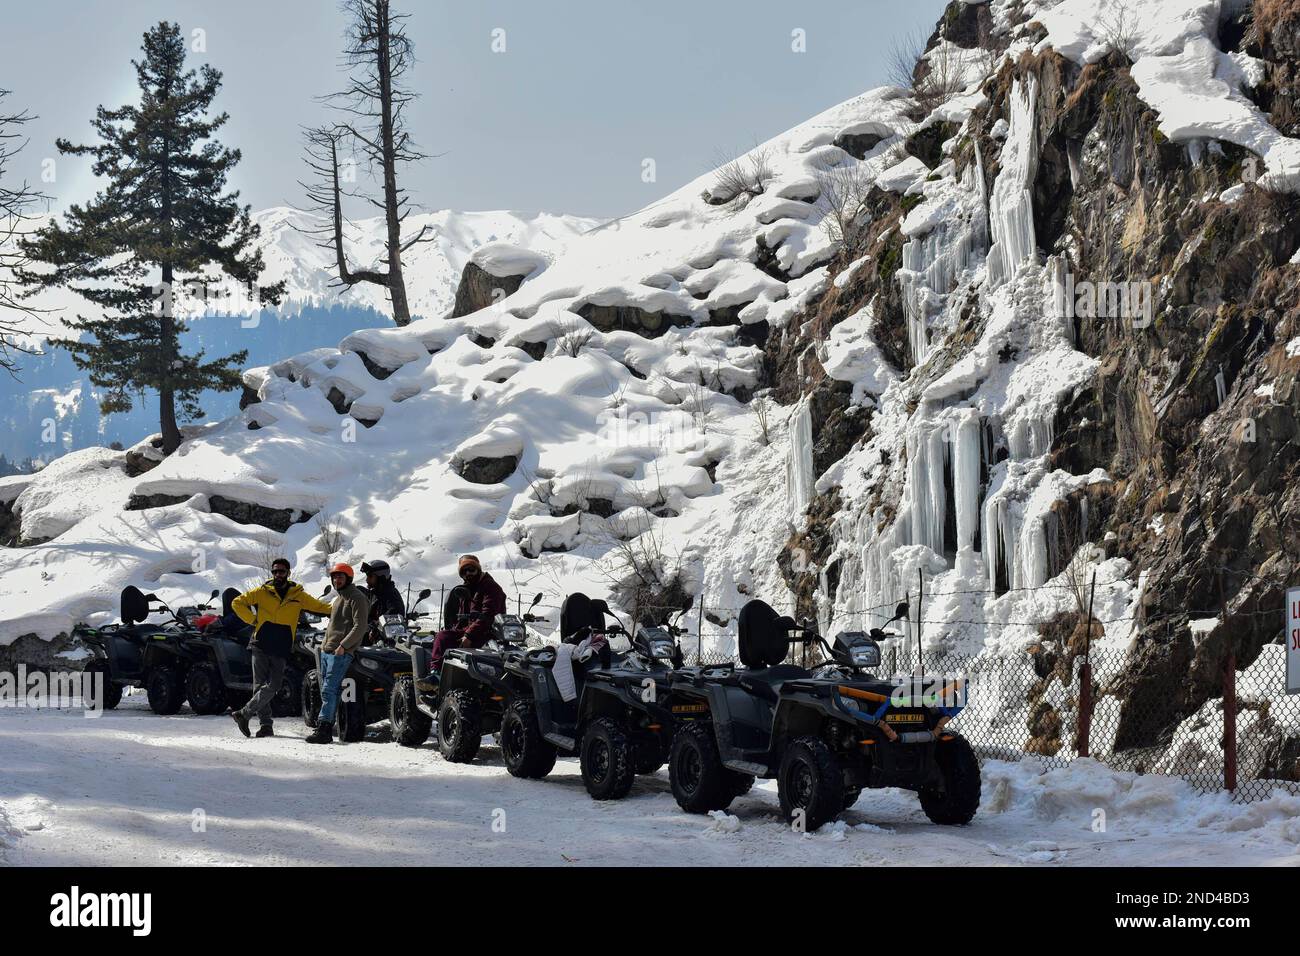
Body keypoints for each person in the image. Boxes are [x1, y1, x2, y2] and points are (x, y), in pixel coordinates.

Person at [229, 558, 332, 739]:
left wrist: (339, 609)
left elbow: (320, 606)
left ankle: (244, 714)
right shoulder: (262, 592)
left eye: (281, 571)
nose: (278, 575)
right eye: (275, 571)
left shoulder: (297, 594)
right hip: (260, 643)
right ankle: (266, 726)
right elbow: (237, 603)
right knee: (259, 686)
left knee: (274, 685)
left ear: (288, 573)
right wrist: (253, 620)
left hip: (281, 646)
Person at [416, 554, 507, 692]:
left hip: (487, 632)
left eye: (471, 570)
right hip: (472, 630)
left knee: (444, 637)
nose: (468, 574)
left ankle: (441, 677)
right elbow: (463, 618)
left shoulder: (490, 587)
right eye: (464, 572)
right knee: (443, 636)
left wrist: (469, 635)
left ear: (479, 569)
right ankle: (436, 675)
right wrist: (455, 631)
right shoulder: (467, 588)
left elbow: (488, 616)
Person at [305, 563, 371, 745]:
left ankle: (324, 730)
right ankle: (324, 726)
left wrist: (343, 646)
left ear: (348, 578)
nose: (336, 580)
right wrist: (324, 645)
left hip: (340, 652)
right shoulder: (338, 599)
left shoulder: (357, 598)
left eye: (340, 577)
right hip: (328, 651)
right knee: (328, 690)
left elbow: (360, 626)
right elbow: (334, 627)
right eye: (334, 577)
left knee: (329, 690)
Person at [360, 559, 405, 641]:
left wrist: (374, 629)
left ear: (381, 577)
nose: (367, 580)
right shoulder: (375, 593)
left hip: (383, 643)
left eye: (370, 576)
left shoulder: (391, 596)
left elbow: (391, 619)